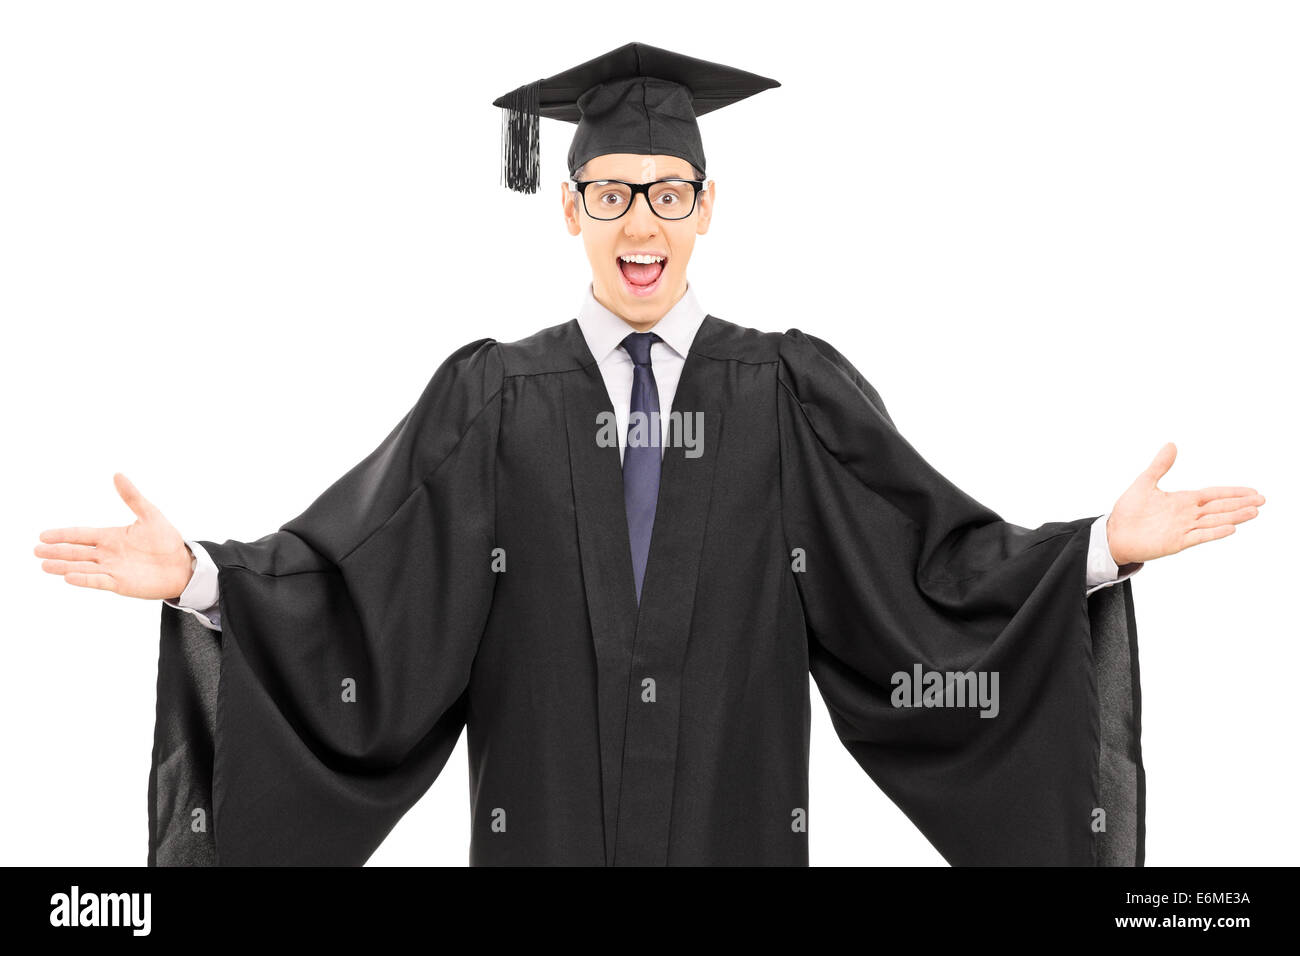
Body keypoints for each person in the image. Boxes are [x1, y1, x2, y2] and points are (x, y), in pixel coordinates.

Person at [34, 42, 1264, 867]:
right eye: (612, 192)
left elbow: (929, 578)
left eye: (668, 192)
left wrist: (1098, 550)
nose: (641, 220)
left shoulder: (786, 390)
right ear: (568, 208)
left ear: (707, 207)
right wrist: (199, 575)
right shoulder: (491, 395)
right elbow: (363, 589)